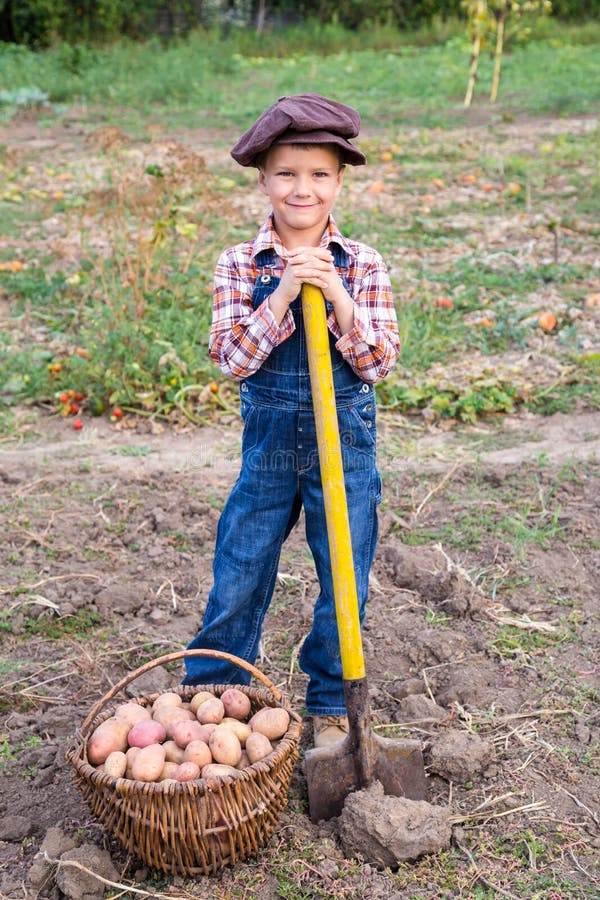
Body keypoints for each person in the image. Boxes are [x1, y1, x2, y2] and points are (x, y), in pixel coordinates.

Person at [183, 93, 400, 748]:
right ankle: (216, 682)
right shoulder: (239, 263)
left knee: (344, 568)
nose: (301, 188)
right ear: (263, 179)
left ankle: (333, 699)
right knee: (243, 559)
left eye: (318, 174)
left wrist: (331, 291)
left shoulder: (361, 264)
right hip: (271, 443)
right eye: (286, 173)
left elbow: (378, 360)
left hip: (346, 441)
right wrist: (282, 292)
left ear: (339, 181)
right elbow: (234, 359)